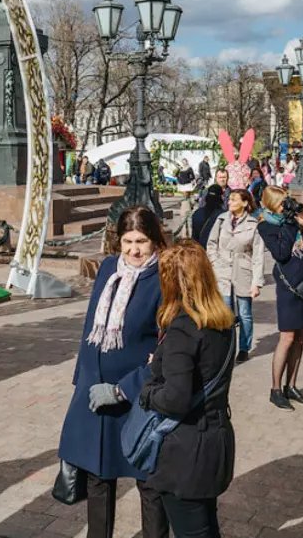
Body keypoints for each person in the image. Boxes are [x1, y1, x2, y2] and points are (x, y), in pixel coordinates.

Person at [59, 205, 169, 538]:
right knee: (97, 476)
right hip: (95, 392)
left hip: (137, 395)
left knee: (147, 480)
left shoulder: (163, 278)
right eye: (128, 241)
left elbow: (164, 349)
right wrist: (81, 380)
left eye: (142, 241)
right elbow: (90, 326)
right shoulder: (108, 268)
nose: (134, 250)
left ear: (154, 240)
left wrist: (132, 386)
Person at [139, 240, 235, 538]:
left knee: (192, 531)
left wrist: (147, 393)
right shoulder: (223, 320)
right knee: (206, 527)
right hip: (216, 438)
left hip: (186, 450)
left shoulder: (183, 327)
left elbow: (175, 398)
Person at [258, 186, 303, 411]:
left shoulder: (293, 220)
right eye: (282, 203)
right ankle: (275, 390)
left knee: (301, 337)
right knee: (287, 338)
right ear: (271, 204)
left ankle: (292, 385)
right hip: (289, 286)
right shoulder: (266, 225)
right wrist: (289, 223)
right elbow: (281, 253)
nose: (286, 207)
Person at [208, 188, 265, 363]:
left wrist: (257, 282)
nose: (230, 202)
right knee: (225, 312)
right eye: (229, 199)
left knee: (245, 313)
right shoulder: (221, 220)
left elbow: (258, 255)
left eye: (234, 199)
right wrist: (215, 261)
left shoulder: (254, 224)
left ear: (245, 203)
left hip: (243, 270)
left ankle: (244, 347)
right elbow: (211, 243)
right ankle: (226, 348)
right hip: (222, 270)